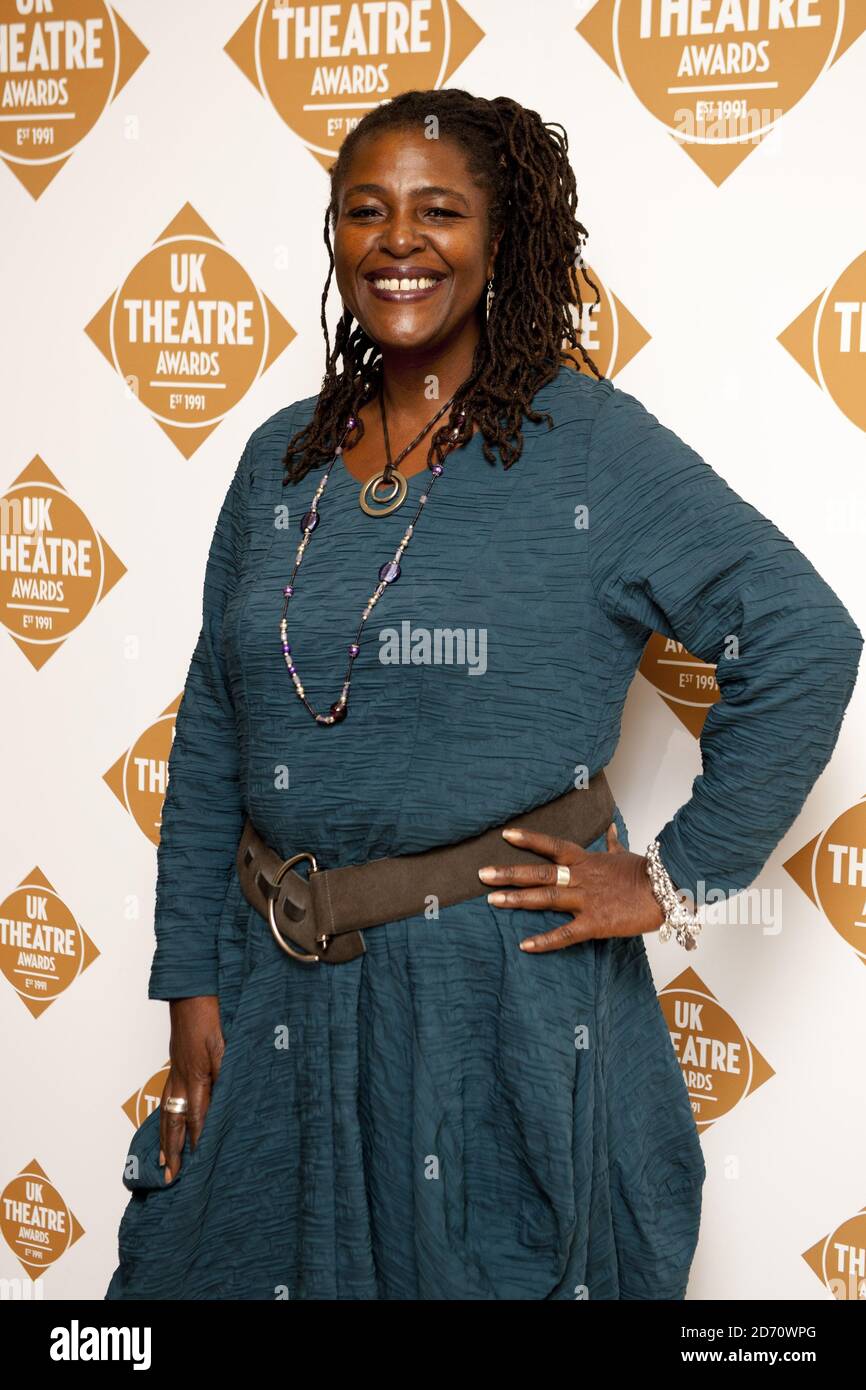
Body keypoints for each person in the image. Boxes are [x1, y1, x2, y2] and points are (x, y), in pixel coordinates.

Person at [105, 88, 862, 1301]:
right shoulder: (276, 459)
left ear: (499, 243)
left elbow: (802, 637)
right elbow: (213, 731)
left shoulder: (585, 447)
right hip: (270, 988)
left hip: (487, 1003)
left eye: (437, 211)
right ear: (335, 236)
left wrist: (670, 878)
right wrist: (191, 981)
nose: (397, 240)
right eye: (365, 210)